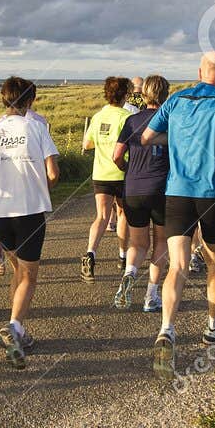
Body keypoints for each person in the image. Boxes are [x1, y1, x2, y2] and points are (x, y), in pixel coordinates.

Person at [143, 51, 215, 378]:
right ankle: (213, 325)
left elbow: (146, 137)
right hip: (213, 192)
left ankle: (167, 329)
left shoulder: (175, 99)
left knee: (178, 266)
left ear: (201, 71)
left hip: (177, 192)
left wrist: (175, 142)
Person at [0, 77, 61, 368]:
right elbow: (53, 174)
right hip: (30, 211)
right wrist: (39, 186)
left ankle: (17, 328)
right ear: (30, 100)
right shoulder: (37, 128)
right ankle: (13, 328)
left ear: (3, 99)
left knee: (18, 271)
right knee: (29, 276)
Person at [111, 74, 171, 313]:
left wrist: (128, 169)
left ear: (143, 94)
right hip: (162, 187)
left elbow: (116, 156)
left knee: (138, 242)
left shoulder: (131, 121)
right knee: (161, 241)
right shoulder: (170, 121)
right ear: (166, 95)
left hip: (133, 187)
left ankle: (130, 273)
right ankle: (151, 295)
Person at [82, 77, 133, 281]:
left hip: (101, 173)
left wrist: (103, 144)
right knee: (123, 215)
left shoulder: (98, 116)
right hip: (122, 173)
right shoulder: (127, 117)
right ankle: (122, 256)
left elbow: (87, 144)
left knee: (101, 216)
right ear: (126, 95)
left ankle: (90, 253)